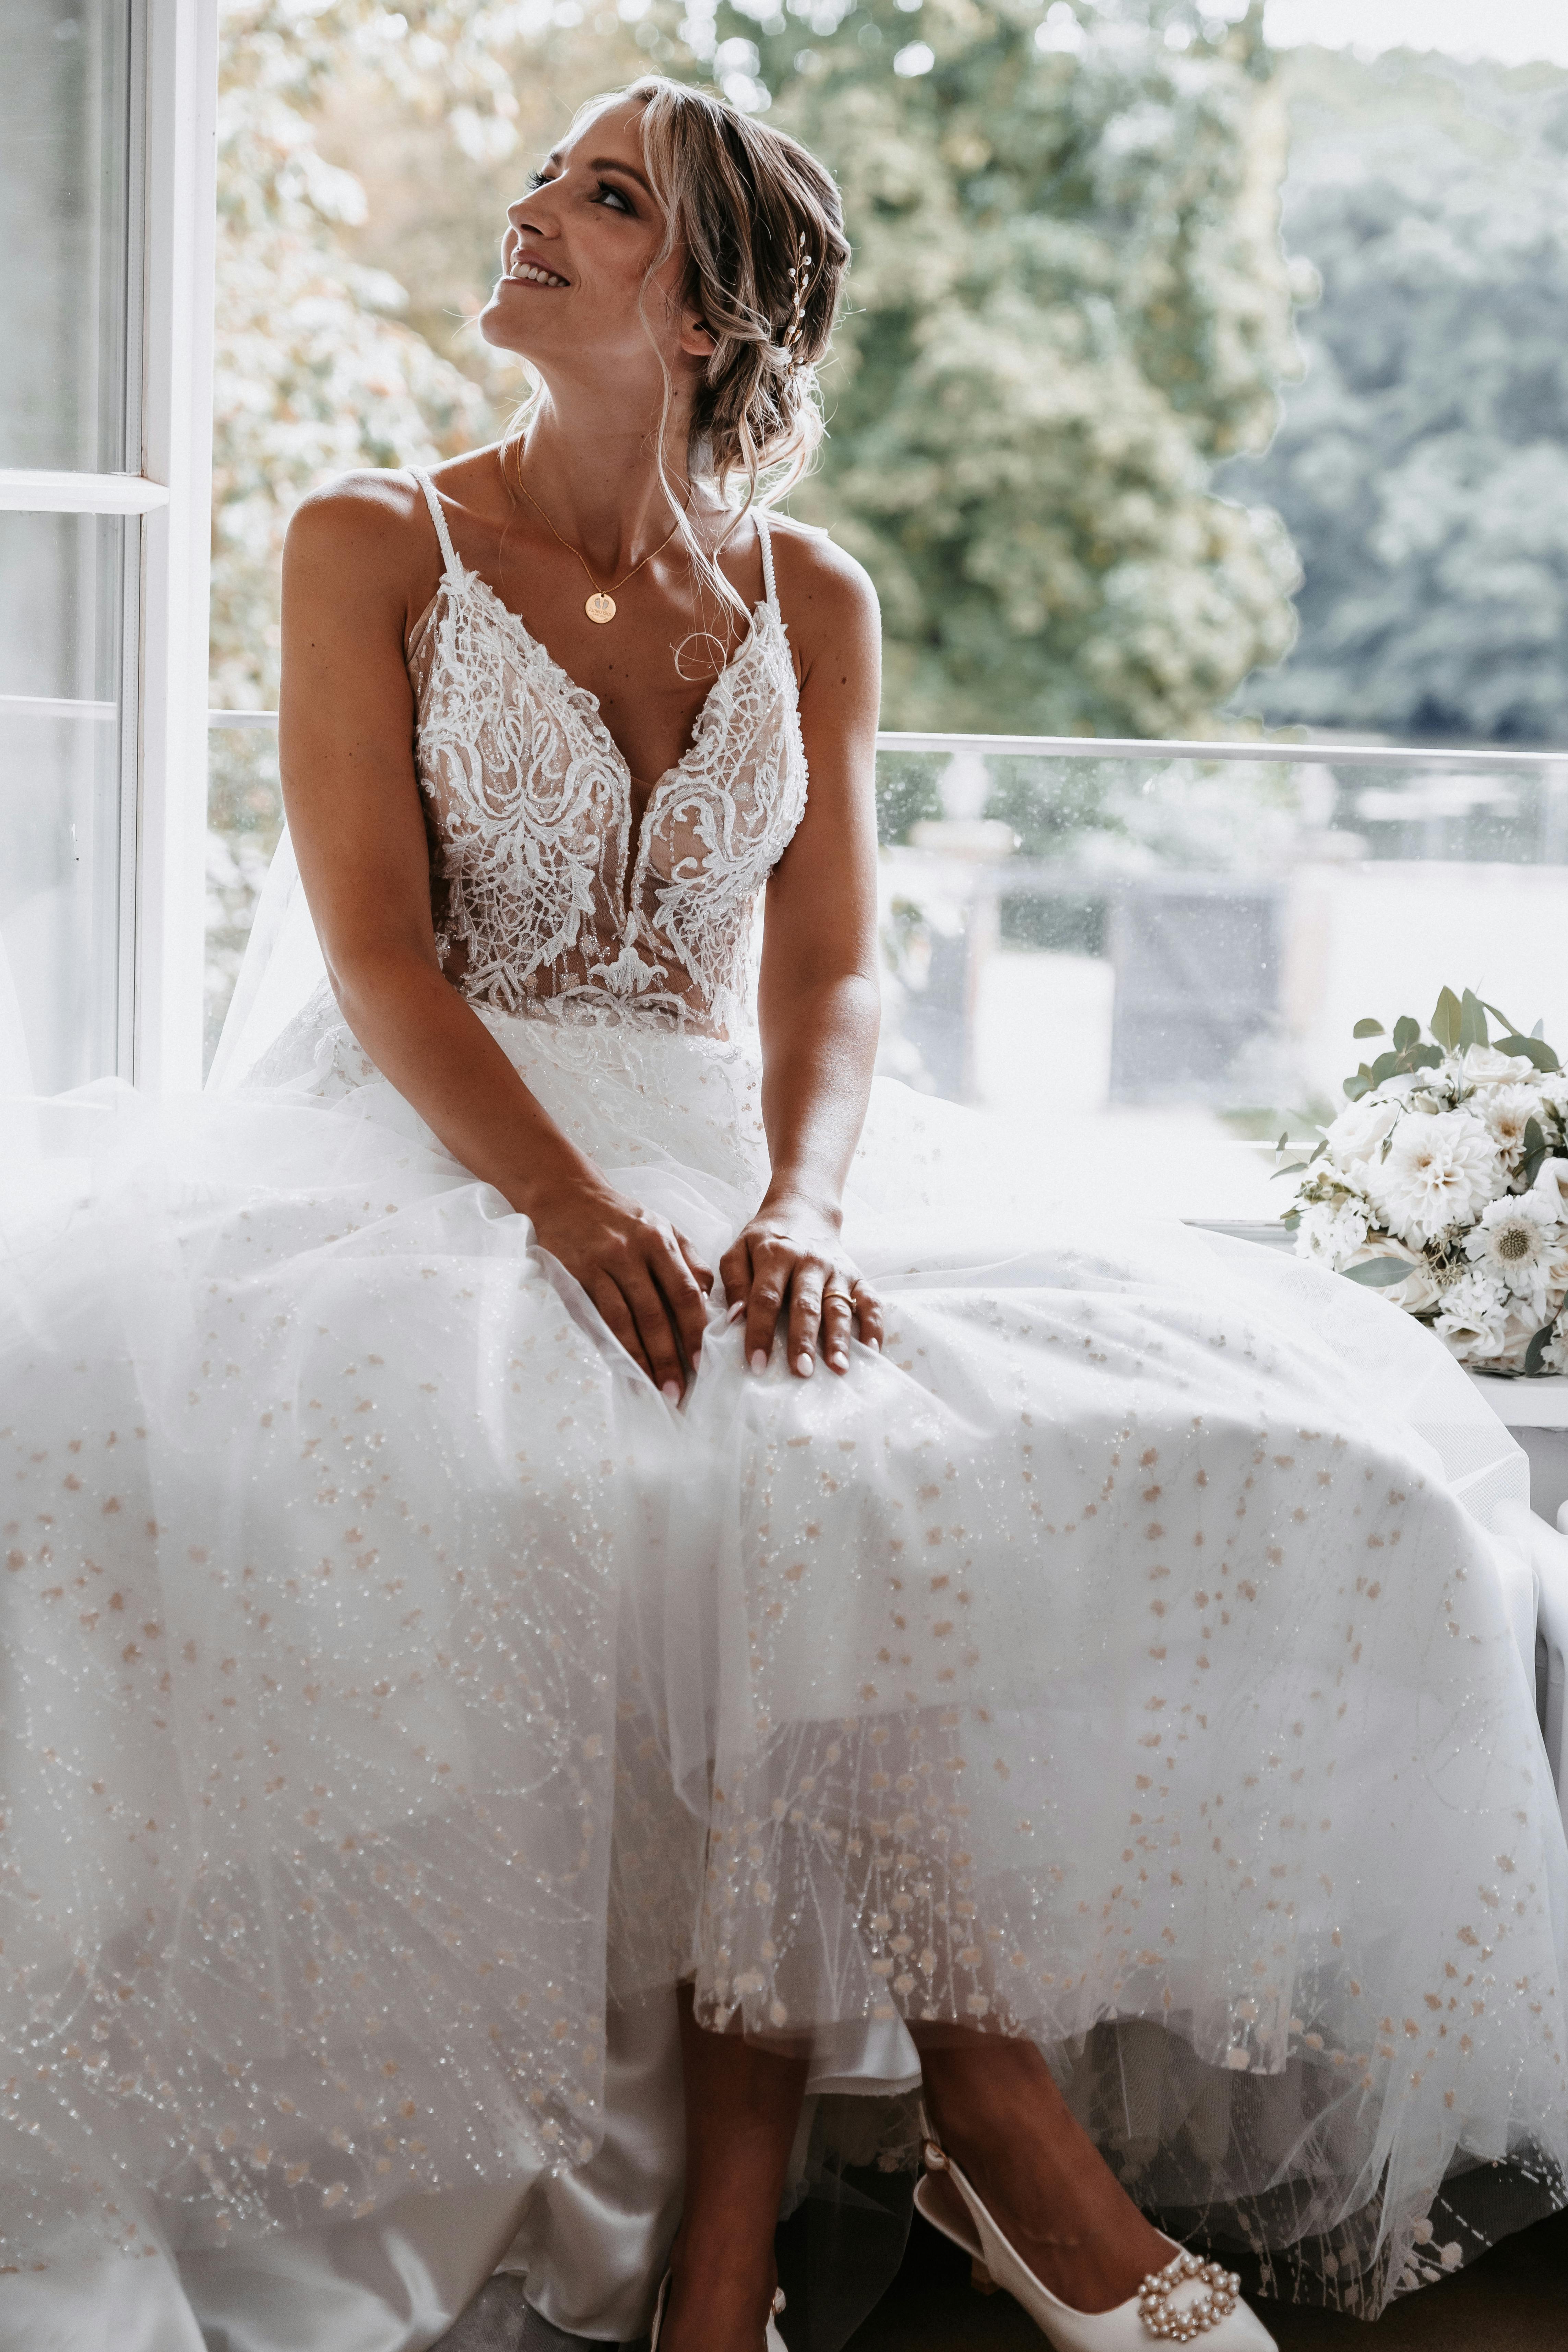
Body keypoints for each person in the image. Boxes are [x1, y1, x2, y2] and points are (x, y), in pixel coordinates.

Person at [1, 72, 1565, 2352]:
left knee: (904, 1450)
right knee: (769, 1476)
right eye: (553, 173)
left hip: (746, 1149)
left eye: (601, 196)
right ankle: (975, 2141)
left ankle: (759, 2251)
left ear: (715, 312)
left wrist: (806, 1213)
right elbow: (377, 961)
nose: (533, 209)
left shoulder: (807, 597)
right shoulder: (371, 541)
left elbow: (830, 968)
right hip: (438, 1142)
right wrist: (554, 1209)